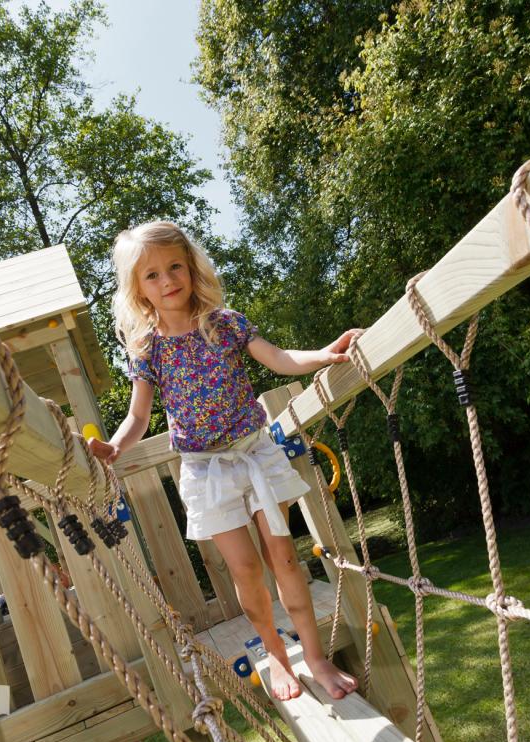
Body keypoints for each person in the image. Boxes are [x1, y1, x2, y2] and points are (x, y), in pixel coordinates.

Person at [89, 220, 358, 701]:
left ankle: (315, 657)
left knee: (284, 558)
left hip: (255, 452)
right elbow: (138, 414)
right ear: (137, 289)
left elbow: (277, 359)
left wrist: (321, 354)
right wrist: (115, 447)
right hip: (206, 471)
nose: (168, 280)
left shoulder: (224, 322)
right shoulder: (148, 349)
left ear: (191, 267)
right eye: (152, 275)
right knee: (245, 570)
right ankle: (278, 654)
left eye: (175, 267)